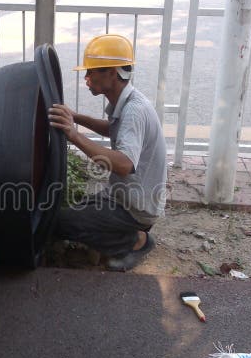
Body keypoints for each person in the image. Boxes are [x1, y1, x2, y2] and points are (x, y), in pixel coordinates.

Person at [48, 34, 167, 271]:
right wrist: (76, 117)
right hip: (124, 196)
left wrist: (74, 134)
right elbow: (111, 128)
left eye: (91, 72)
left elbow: (124, 165)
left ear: (112, 72)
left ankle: (138, 241)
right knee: (76, 210)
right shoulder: (127, 101)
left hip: (137, 208)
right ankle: (119, 233)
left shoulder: (134, 110)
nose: (86, 78)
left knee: (62, 223)